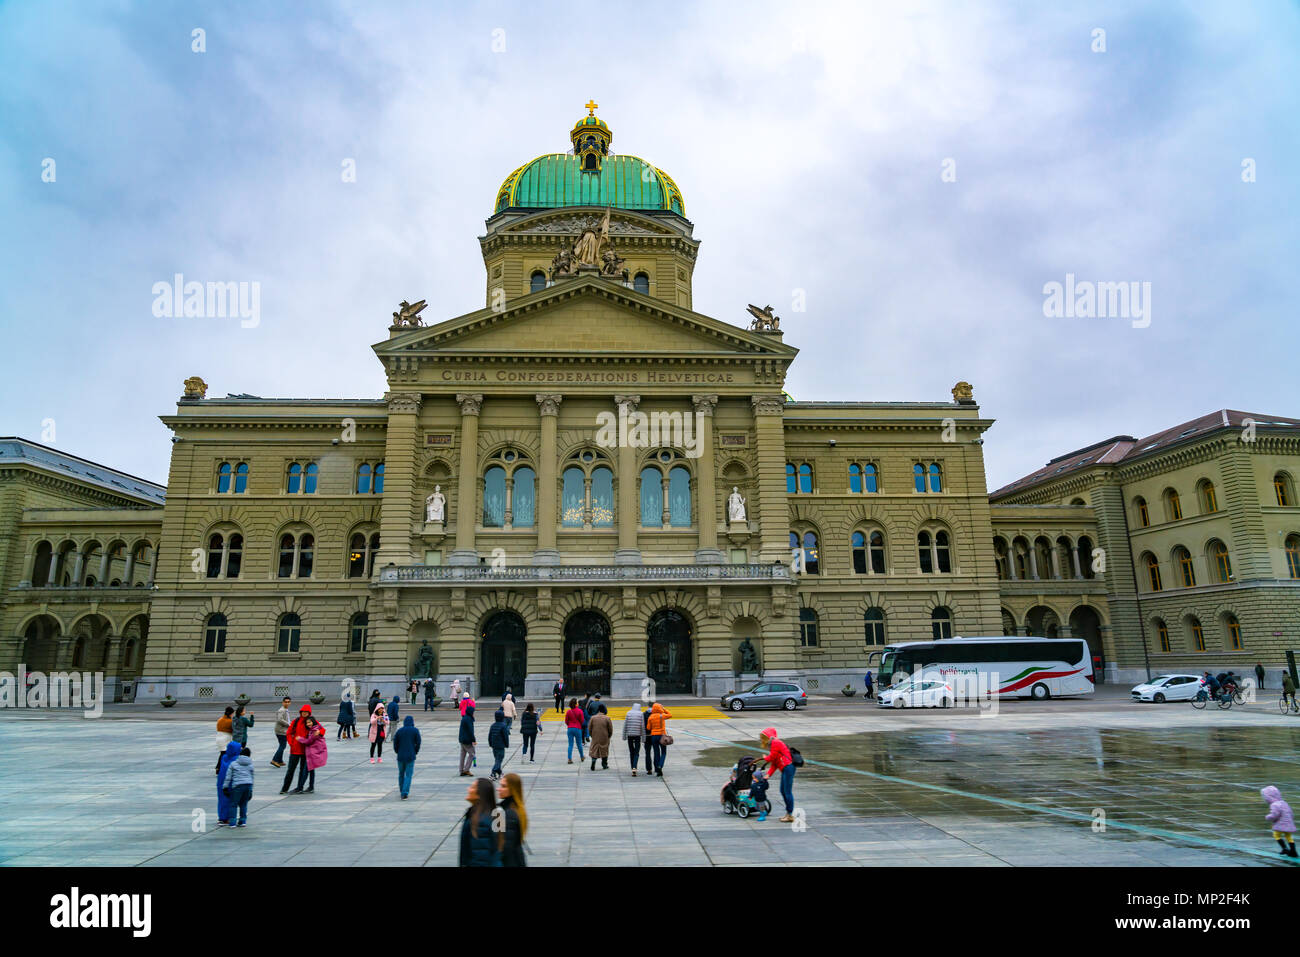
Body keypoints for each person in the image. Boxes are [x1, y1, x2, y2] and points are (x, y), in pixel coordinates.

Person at [459, 778, 502, 867]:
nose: (468, 789)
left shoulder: (480, 822)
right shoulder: (490, 815)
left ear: (479, 794)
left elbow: (480, 857)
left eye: (472, 787)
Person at [757, 727, 796, 823]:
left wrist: (765, 758)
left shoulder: (775, 742)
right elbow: (775, 762)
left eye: (763, 737)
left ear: (768, 737)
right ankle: (788, 814)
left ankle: (790, 814)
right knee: (783, 791)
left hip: (788, 768)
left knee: (787, 792)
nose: (762, 740)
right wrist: (768, 774)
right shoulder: (772, 744)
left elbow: (772, 757)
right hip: (786, 769)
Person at [280, 705, 315, 794]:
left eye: (306, 712)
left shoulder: (311, 721)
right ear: (300, 712)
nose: (304, 713)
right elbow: (288, 733)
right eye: (303, 712)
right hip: (295, 750)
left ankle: (299, 787)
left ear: (309, 713)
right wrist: (291, 743)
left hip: (305, 751)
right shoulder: (296, 721)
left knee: (302, 771)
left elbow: (321, 730)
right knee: (290, 770)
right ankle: (284, 789)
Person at [498, 773, 528, 867]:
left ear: (512, 790)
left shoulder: (507, 813)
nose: (498, 789)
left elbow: (503, 845)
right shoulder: (512, 808)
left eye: (503, 786)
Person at [223, 745, 254, 827]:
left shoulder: (233, 764)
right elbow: (252, 777)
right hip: (248, 785)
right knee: (244, 804)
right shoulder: (250, 764)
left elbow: (228, 777)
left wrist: (225, 787)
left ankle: (232, 822)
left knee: (233, 804)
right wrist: (251, 790)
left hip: (237, 786)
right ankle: (243, 821)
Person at [1262, 785, 1297, 857]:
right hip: (1288, 823)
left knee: (1276, 835)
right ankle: (1293, 851)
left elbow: (1275, 815)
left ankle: (1284, 848)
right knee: (1288, 836)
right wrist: (1291, 819)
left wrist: (1268, 817)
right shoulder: (1284, 802)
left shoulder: (1274, 805)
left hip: (1280, 824)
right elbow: (1291, 812)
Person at [393, 714, 421, 799]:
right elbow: (418, 742)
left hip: (400, 756)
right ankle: (405, 792)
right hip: (410, 755)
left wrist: (397, 751)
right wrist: (415, 751)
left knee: (401, 774)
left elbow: (395, 743)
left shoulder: (399, 731)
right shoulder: (415, 731)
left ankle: (402, 790)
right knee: (408, 775)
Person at [216, 741, 241, 826]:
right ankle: (226, 819)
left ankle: (222, 817)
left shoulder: (224, 757)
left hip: (221, 783)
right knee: (230, 801)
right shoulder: (236, 759)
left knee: (222, 800)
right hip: (230, 783)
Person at [300, 716, 327, 793]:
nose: (308, 724)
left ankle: (300, 787)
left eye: (309, 722)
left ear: (313, 722)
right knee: (311, 771)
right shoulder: (315, 729)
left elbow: (309, 741)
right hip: (312, 753)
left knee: (305, 771)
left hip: (312, 754)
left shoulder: (314, 730)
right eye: (307, 723)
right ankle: (311, 787)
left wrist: (299, 739)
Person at [645, 702, 672, 777]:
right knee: (663, 752)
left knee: (656, 753)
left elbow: (648, 728)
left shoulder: (651, 717)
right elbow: (670, 715)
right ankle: (660, 766)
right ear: (659, 708)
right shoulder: (662, 715)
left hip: (654, 736)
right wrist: (664, 709)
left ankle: (657, 769)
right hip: (662, 736)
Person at [588, 703, 614, 771]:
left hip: (595, 736)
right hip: (604, 737)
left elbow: (589, 728)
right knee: (604, 750)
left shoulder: (593, 718)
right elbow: (610, 729)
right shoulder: (607, 718)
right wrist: (609, 736)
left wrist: (592, 735)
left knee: (594, 749)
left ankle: (593, 760)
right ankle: (604, 764)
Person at [622, 701, 644, 776]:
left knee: (631, 752)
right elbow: (642, 726)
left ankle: (632, 768)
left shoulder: (628, 713)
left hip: (630, 735)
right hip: (637, 735)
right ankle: (635, 767)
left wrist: (624, 736)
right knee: (636, 752)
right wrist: (643, 738)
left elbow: (625, 725)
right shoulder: (641, 714)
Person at [488, 707, 510, 780]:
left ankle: (500, 773)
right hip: (501, 746)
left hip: (494, 746)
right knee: (499, 760)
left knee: (497, 760)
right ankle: (493, 773)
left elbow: (490, 736)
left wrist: (490, 744)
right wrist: (506, 744)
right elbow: (505, 736)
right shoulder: (503, 726)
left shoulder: (493, 725)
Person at [564, 698, 586, 764]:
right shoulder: (580, 711)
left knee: (570, 744)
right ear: (576, 704)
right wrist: (578, 724)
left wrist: (570, 725)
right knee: (579, 744)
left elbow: (566, 721)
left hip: (570, 729)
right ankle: (582, 756)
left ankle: (569, 759)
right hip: (578, 728)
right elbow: (582, 721)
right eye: (577, 702)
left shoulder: (568, 711)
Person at [271, 696, 291, 767]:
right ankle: (274, 760)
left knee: (281, 745)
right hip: (281, 731)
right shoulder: (281, 710)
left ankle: (280, 760)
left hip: (282, 730)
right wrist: (288, 724)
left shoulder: (285, 710)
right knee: (283, 746)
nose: (287, 703)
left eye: (288, 702)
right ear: (282, 702)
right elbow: (279, 719)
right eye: (285, 702)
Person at [458, 703, 477, 776]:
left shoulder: (464, 717)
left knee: (463, 755)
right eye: (473, 712)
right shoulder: (469, 719)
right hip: (467, 740)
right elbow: (470, 731)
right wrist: (474, 740)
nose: (473, 713)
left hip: (462, 739)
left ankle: (461, 770)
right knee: (472, 754)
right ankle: (466, 770)